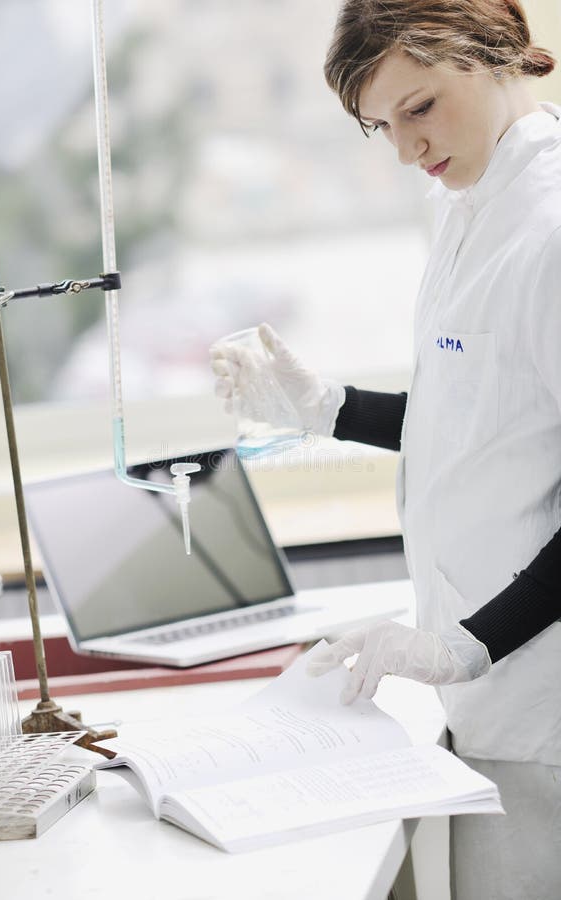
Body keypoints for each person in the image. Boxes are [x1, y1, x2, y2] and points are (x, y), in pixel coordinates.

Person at [210, 1, 561, 897]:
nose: (407, 148)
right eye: (382, 124)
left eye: (420, 108)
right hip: (487, 700)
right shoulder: (468, 206)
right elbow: (479, 417)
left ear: (490, 55)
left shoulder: (552, 231)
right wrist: (325, 407)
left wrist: (466, 647)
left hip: (544, 706)